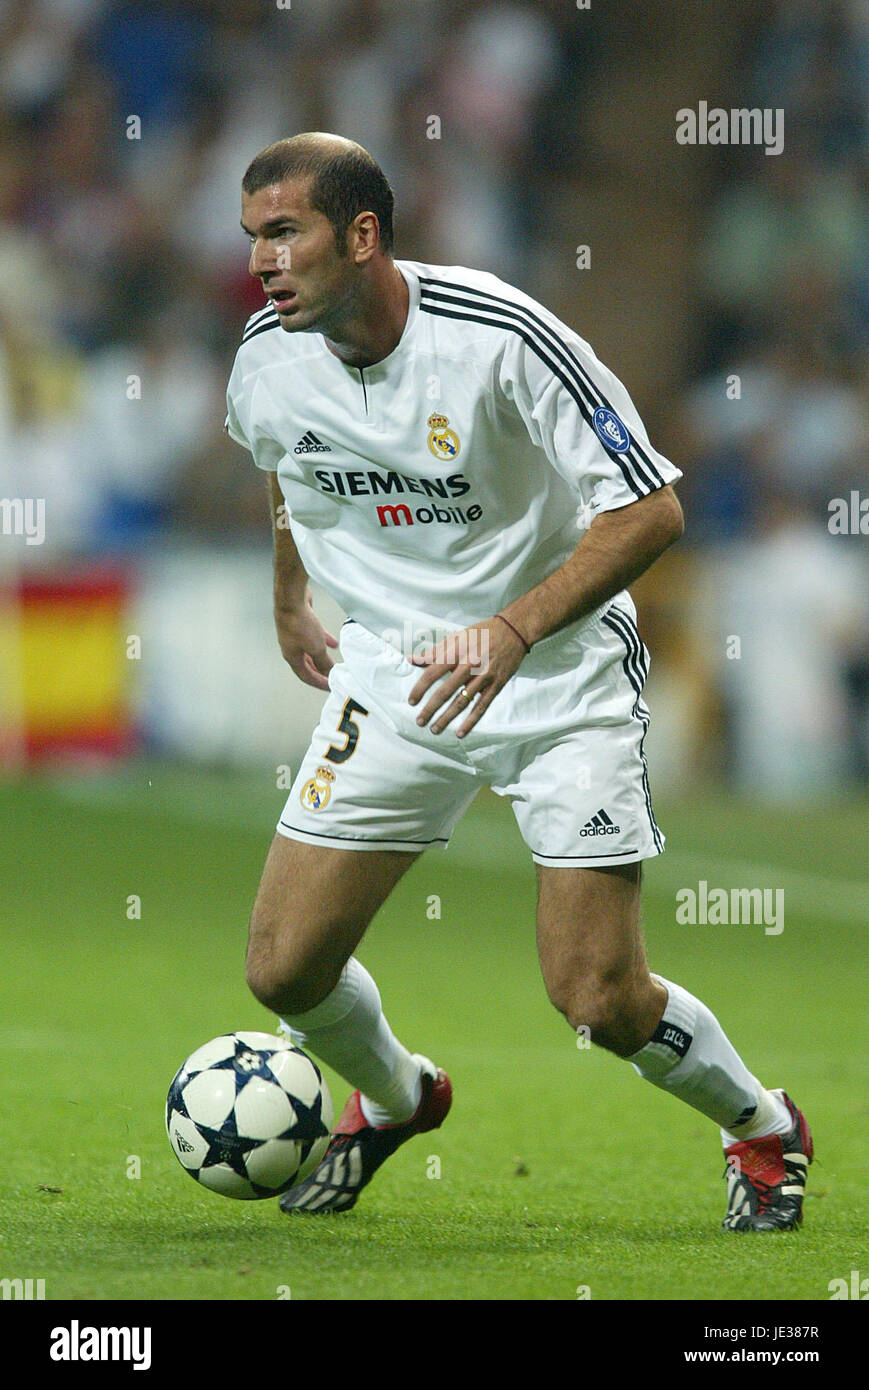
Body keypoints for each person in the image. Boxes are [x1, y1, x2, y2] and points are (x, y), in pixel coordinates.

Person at [225, 133, 812, 1230]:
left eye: (283, 232)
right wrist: (286, 596)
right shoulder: (267, 352)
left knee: (594, 998)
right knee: (283, 970)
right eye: (253, 235)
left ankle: (761, 1125)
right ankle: (399, 1098)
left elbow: (650, 510)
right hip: (396, 676)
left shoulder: (499, 338)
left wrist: (508, 630)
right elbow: (286, 470)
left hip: (556, 675)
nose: (261, 259)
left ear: (361, 235)